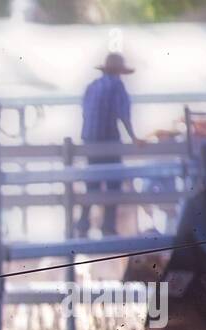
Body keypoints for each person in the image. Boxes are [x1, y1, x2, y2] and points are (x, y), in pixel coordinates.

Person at [75, 52, 142, 238]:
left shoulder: (92, 86)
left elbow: (84, 112)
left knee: (92, 182)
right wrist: (134, 137)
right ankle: (108, 226)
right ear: (119, 71)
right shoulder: (117, 86)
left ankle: (83, 223)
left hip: (90, 139)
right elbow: (124, 115)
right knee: (114, 181)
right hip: (108, 139)